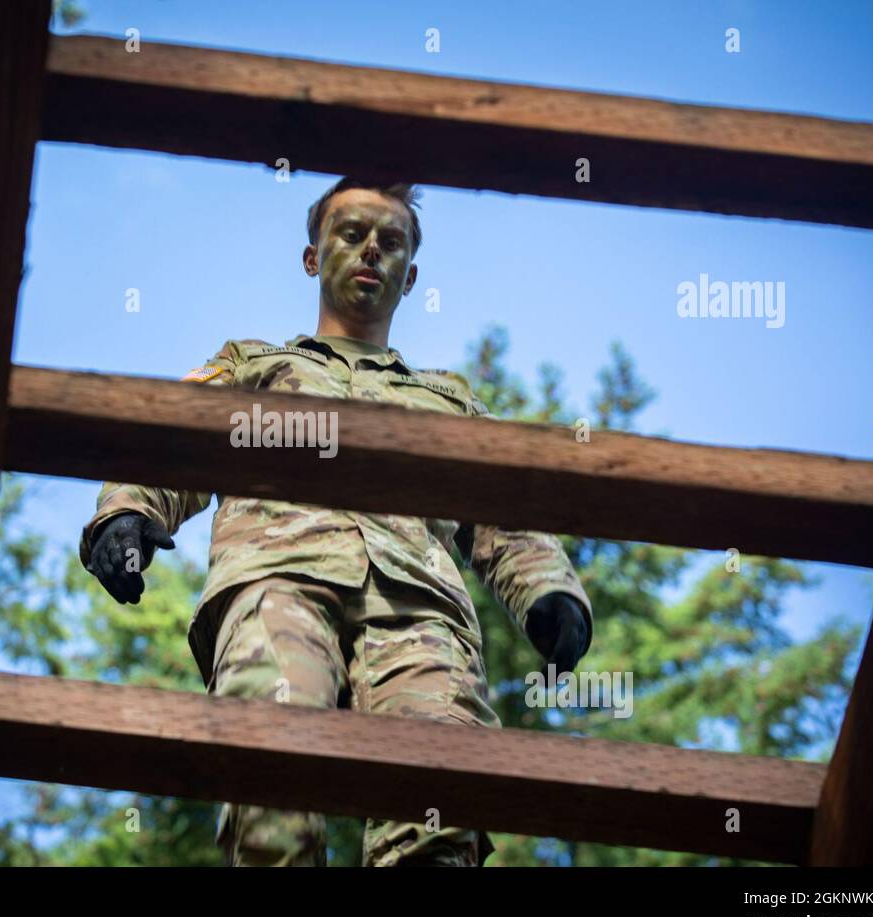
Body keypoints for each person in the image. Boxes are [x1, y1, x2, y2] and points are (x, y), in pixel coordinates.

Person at [79, 177, 593, 866]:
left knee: (438, 816)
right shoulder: (253, 367)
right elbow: (176, 437)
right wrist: (128, 511)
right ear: (313, 256)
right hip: (276, 581)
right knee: (272, 784)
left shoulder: (449, 404)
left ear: (411, 277)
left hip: (418, 607)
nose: (371, 251)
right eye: (351, 234)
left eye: (391, 242)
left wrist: (550, 591)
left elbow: (500, 509)